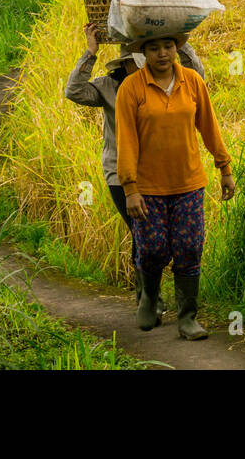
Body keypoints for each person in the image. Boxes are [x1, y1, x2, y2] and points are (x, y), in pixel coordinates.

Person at [65, 22, 206, 311]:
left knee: (151, 236)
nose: (141, 70)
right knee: (142, 231)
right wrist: (90, 52)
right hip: (120, 173)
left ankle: (148, 297)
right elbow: (74, 91)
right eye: (135, 64)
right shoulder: (109, 86)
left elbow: (198, 77)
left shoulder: (170, 82)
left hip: (161, 173)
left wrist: (181, 40)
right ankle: (148, 297)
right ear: (125, 64)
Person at [115, 33, 235, 335]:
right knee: (153, 248)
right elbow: (126, 141)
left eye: (168, 46)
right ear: (143, 53)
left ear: (176, 48)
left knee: (190, 248)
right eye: (153, 48)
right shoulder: (131, 88)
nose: (162, 54)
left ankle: (187, 317)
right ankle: (149, 298)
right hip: (148, 188)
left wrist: (225, 167)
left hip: (189, 184)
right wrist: (129, 187)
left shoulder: (192, 81)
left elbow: (210, 127)